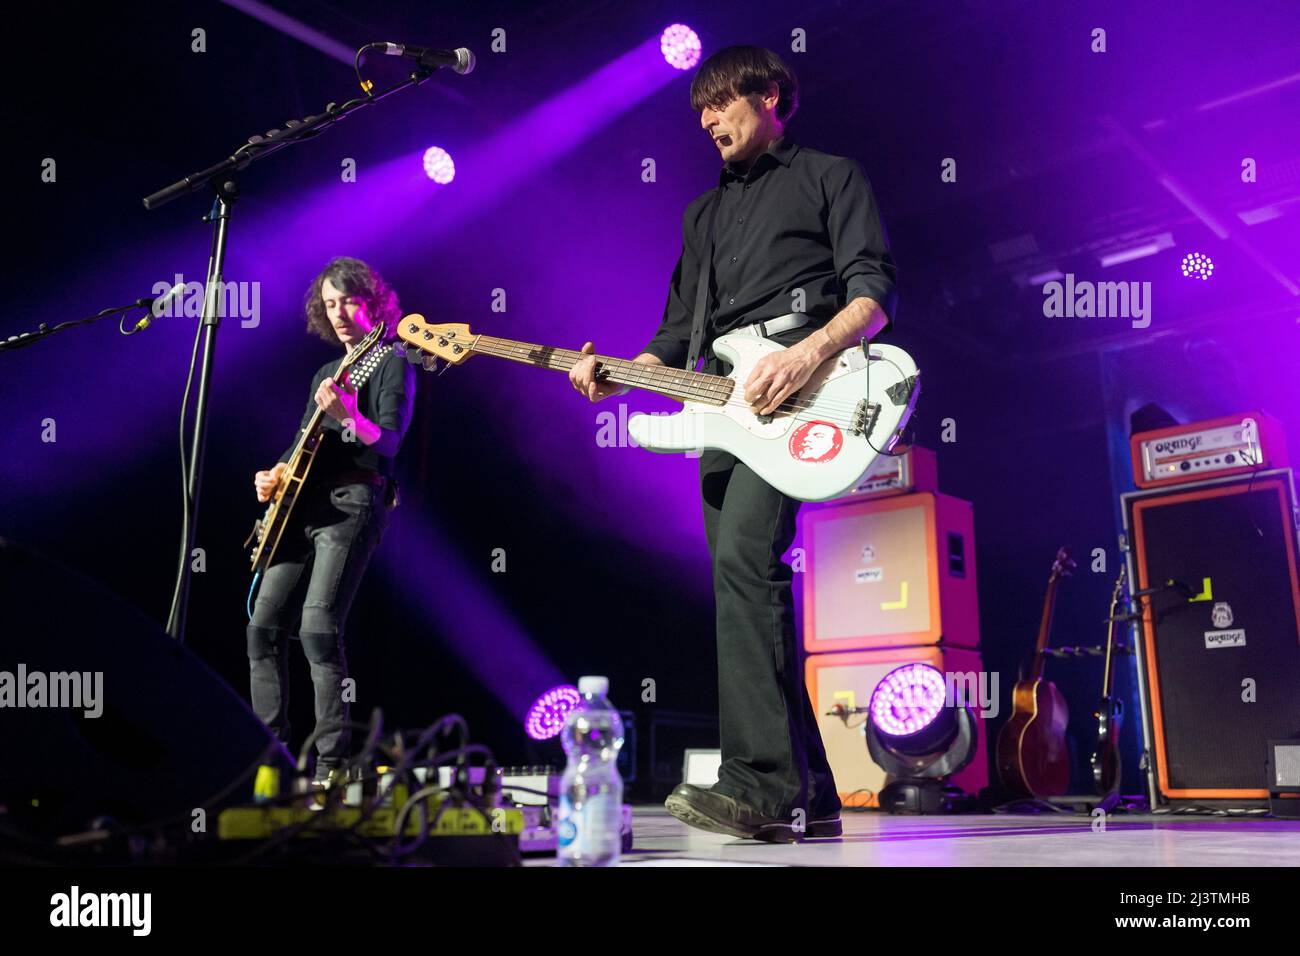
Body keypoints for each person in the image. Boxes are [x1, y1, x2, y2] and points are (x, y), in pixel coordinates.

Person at [569, 46, 898, 841]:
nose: (708, 121)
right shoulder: (702, 214)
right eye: (700, 113)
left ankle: (759, 785)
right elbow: (678, 331)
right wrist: (618, 372)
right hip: (726, 405)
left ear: (771, 95)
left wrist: (806, 353)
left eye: (720, 104)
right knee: (742, 581)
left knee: (745, 565)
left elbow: (874, 293)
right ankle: (810, 789)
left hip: (808, 390)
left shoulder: (830, 174)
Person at [247, 256, 416, 786]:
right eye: (329, 304)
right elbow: (302, 444)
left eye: (347, 300)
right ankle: (267, 763)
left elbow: (388, 441)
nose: (338, 312)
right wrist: (273, 474)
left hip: (352, 505)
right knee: (262, 627)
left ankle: (331, 768)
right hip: (301, 507)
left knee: (318, 629)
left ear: (372, 301)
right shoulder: (326, 373)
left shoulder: (392, 361)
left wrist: (347, 416)